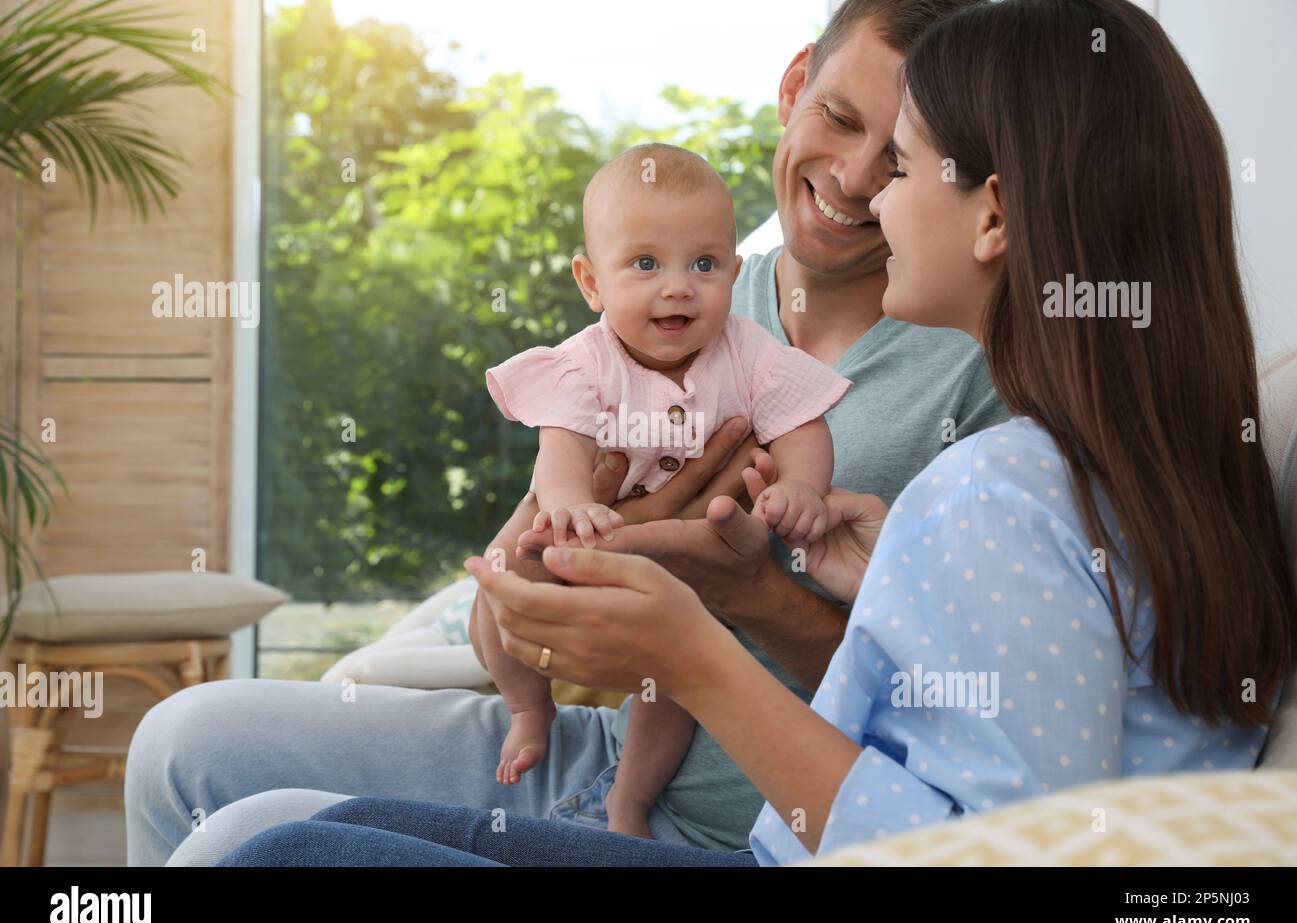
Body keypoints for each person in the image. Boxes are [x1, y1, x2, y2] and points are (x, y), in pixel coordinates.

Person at [219, 0, 1297, 867]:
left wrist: (690, 655)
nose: (874, 199)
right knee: (268, 833)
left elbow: (991, 851)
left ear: (996, 216)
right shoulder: (1131, 471)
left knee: (275, 851)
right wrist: (884, 598)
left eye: (908, 168)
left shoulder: (1001, 487)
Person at [126, 0, 1003, 867]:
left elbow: (972, 721)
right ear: (794, 84)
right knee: (182, 741)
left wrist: (747, 598)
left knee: (245, 846)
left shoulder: (981, 370)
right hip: (607, 758)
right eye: (838, 119)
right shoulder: (674, 299)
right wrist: (531, 571)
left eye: (894, 159)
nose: (851, 178)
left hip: (757, 834)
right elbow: (504, 612)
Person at [476, 142, 850, 840]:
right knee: (500, 598)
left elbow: (802, 421)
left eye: (704, 264)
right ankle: (529, 708)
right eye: (646, 264)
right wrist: (569, 506)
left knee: (682, 675)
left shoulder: (747, 351)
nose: (678, 286)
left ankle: (629, 801)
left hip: (686, 576)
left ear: (734, 274)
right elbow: (562, 453)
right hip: (585, 537)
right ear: (592, 282)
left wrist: (801, 487)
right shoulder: (588, 362)